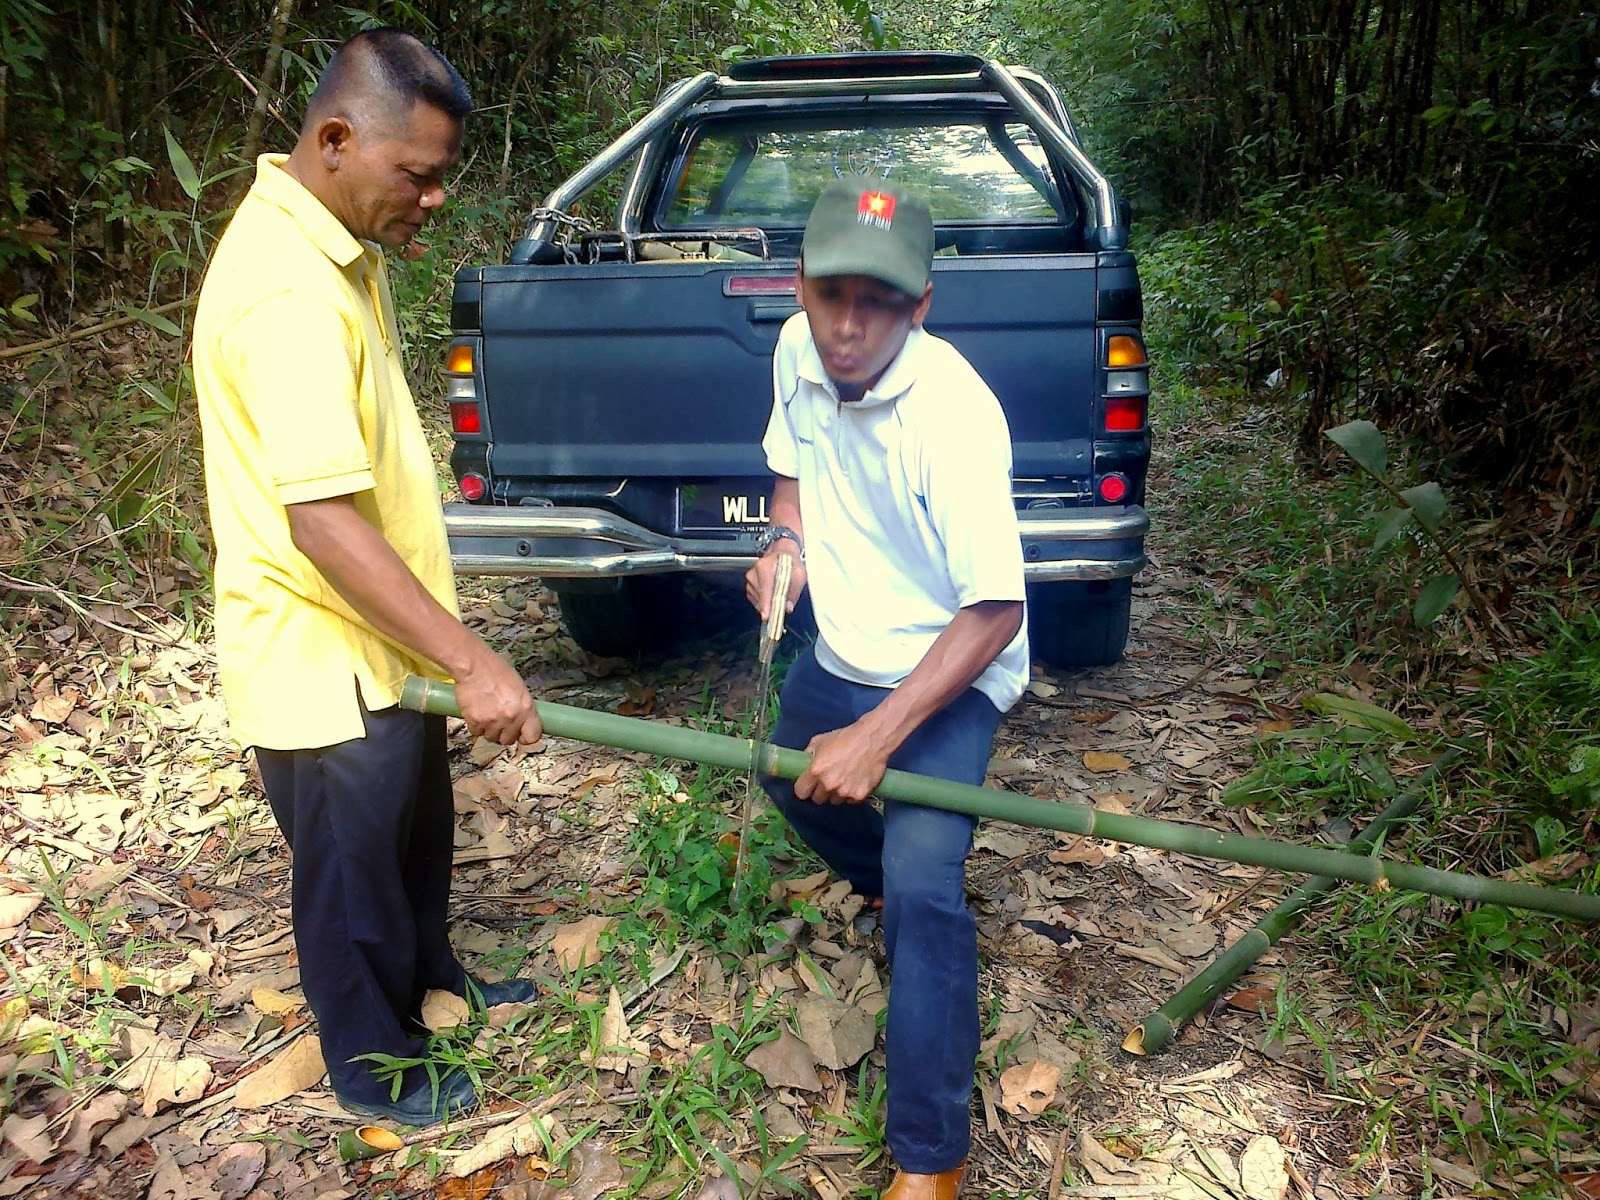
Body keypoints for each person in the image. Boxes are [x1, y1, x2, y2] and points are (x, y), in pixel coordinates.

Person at [193, 28, 542, 1126]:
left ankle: (433, 988)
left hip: (378, 646)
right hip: (318, 656)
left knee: (410, 842)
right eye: (420, 176)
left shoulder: (335, 239)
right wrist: (474, 658)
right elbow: (323, 523)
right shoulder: (288, 293)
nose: (433, 201)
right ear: (337, 139)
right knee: (351, 887)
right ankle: (373, 1068)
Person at [745, 179, 1029, 1199]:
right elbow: (791, 473)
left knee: (922, 893)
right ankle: (896, 861)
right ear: (801, 286)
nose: (848, 326)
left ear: (921, 306)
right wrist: (786, 541)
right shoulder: (793, 348)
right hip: (844, 653)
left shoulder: (953, 414)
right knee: (785, 778)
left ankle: (930, 1161)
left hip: (947, 671)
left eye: (879, 302)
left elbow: (994, 608)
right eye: (830, 296)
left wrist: (878, 737)